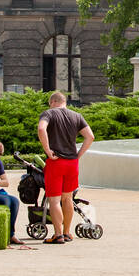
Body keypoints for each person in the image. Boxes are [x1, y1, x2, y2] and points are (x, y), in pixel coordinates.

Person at [37, 91, 94, 243]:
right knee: (67, 198)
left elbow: (42, 129)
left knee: (54, 200)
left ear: (52, 102)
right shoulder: (77, 116)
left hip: (56, 161)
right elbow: (90, 136)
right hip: (72, 163)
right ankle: (68, 232)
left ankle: (58, 234)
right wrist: (78, 154)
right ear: (65, 102)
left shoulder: (49, 113)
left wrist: (48, 150)